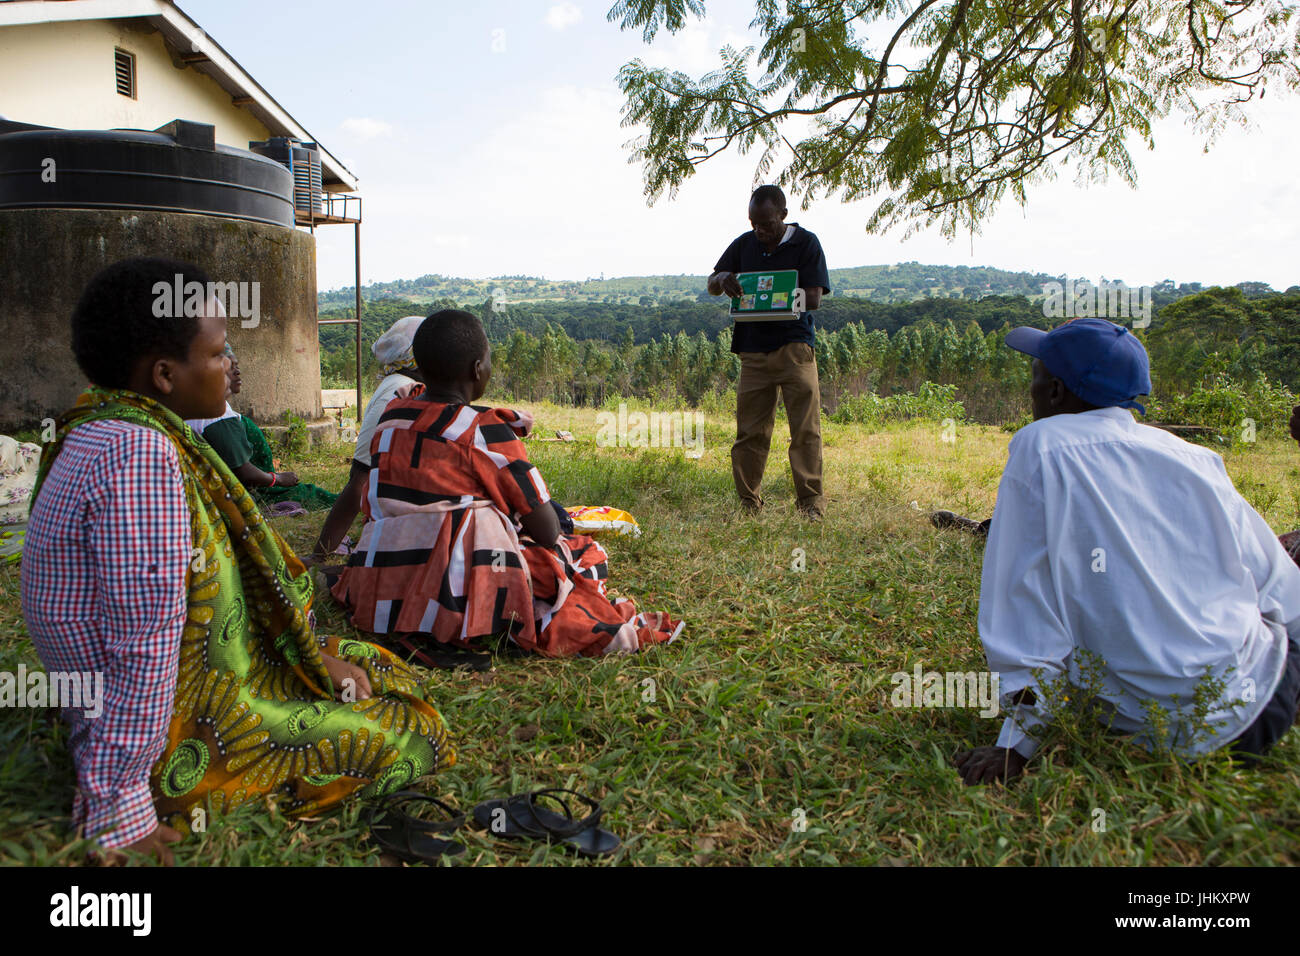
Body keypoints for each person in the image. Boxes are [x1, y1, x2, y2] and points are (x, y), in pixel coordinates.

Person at [21, 258, 454, 864]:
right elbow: (142, 641)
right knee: (412, 731)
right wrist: (117, 807)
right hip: (156, 720)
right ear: (166, 374)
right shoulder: (140, 456)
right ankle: (134, 780)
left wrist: (312, 651)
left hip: (101, 692)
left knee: (362, 662)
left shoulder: (100, 423)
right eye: (220, 352)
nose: (230, 366)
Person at [954, 318, 1300, 786]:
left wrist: (1017, 745)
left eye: (1034, 376)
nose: (1030, 387)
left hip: (1164, 733)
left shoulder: (1041, 446)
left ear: (1055, 392)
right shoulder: (1193, 457)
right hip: (1266, 703)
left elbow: (1023, 609)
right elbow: (1280, 586)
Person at [330, 309, 683, 658]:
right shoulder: (486, 429)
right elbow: (545, 530)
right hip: (452, 593)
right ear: (477, 369)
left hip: (382, 582)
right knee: (576, 554)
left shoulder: (393, 417)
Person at [708, 185, 831, 519]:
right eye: (753, 223)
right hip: (753, 352)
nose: (759, 230)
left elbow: (815, 298)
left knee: (805, 429)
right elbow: (711, 282)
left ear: (783, 215)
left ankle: (810, 505)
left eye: (766, 223)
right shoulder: (744, 244)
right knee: (750, 432)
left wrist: (779, 298)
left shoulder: (806, 243)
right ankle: (748, 503)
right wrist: (724, 278)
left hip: (795, 348)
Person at [308, 316, 426, 563]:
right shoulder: (399, 392)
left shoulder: (402, 385)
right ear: (418, 361)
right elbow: (360, 480)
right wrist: (320, 555)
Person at [184, 345, 337, 513]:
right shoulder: (215, 415)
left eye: (237, 366)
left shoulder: (198, 407)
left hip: (240, 486)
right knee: (312, 495)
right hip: (256, 490)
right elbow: (244, 472)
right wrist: (277, 479)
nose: (237, 372)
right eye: (229, 367)